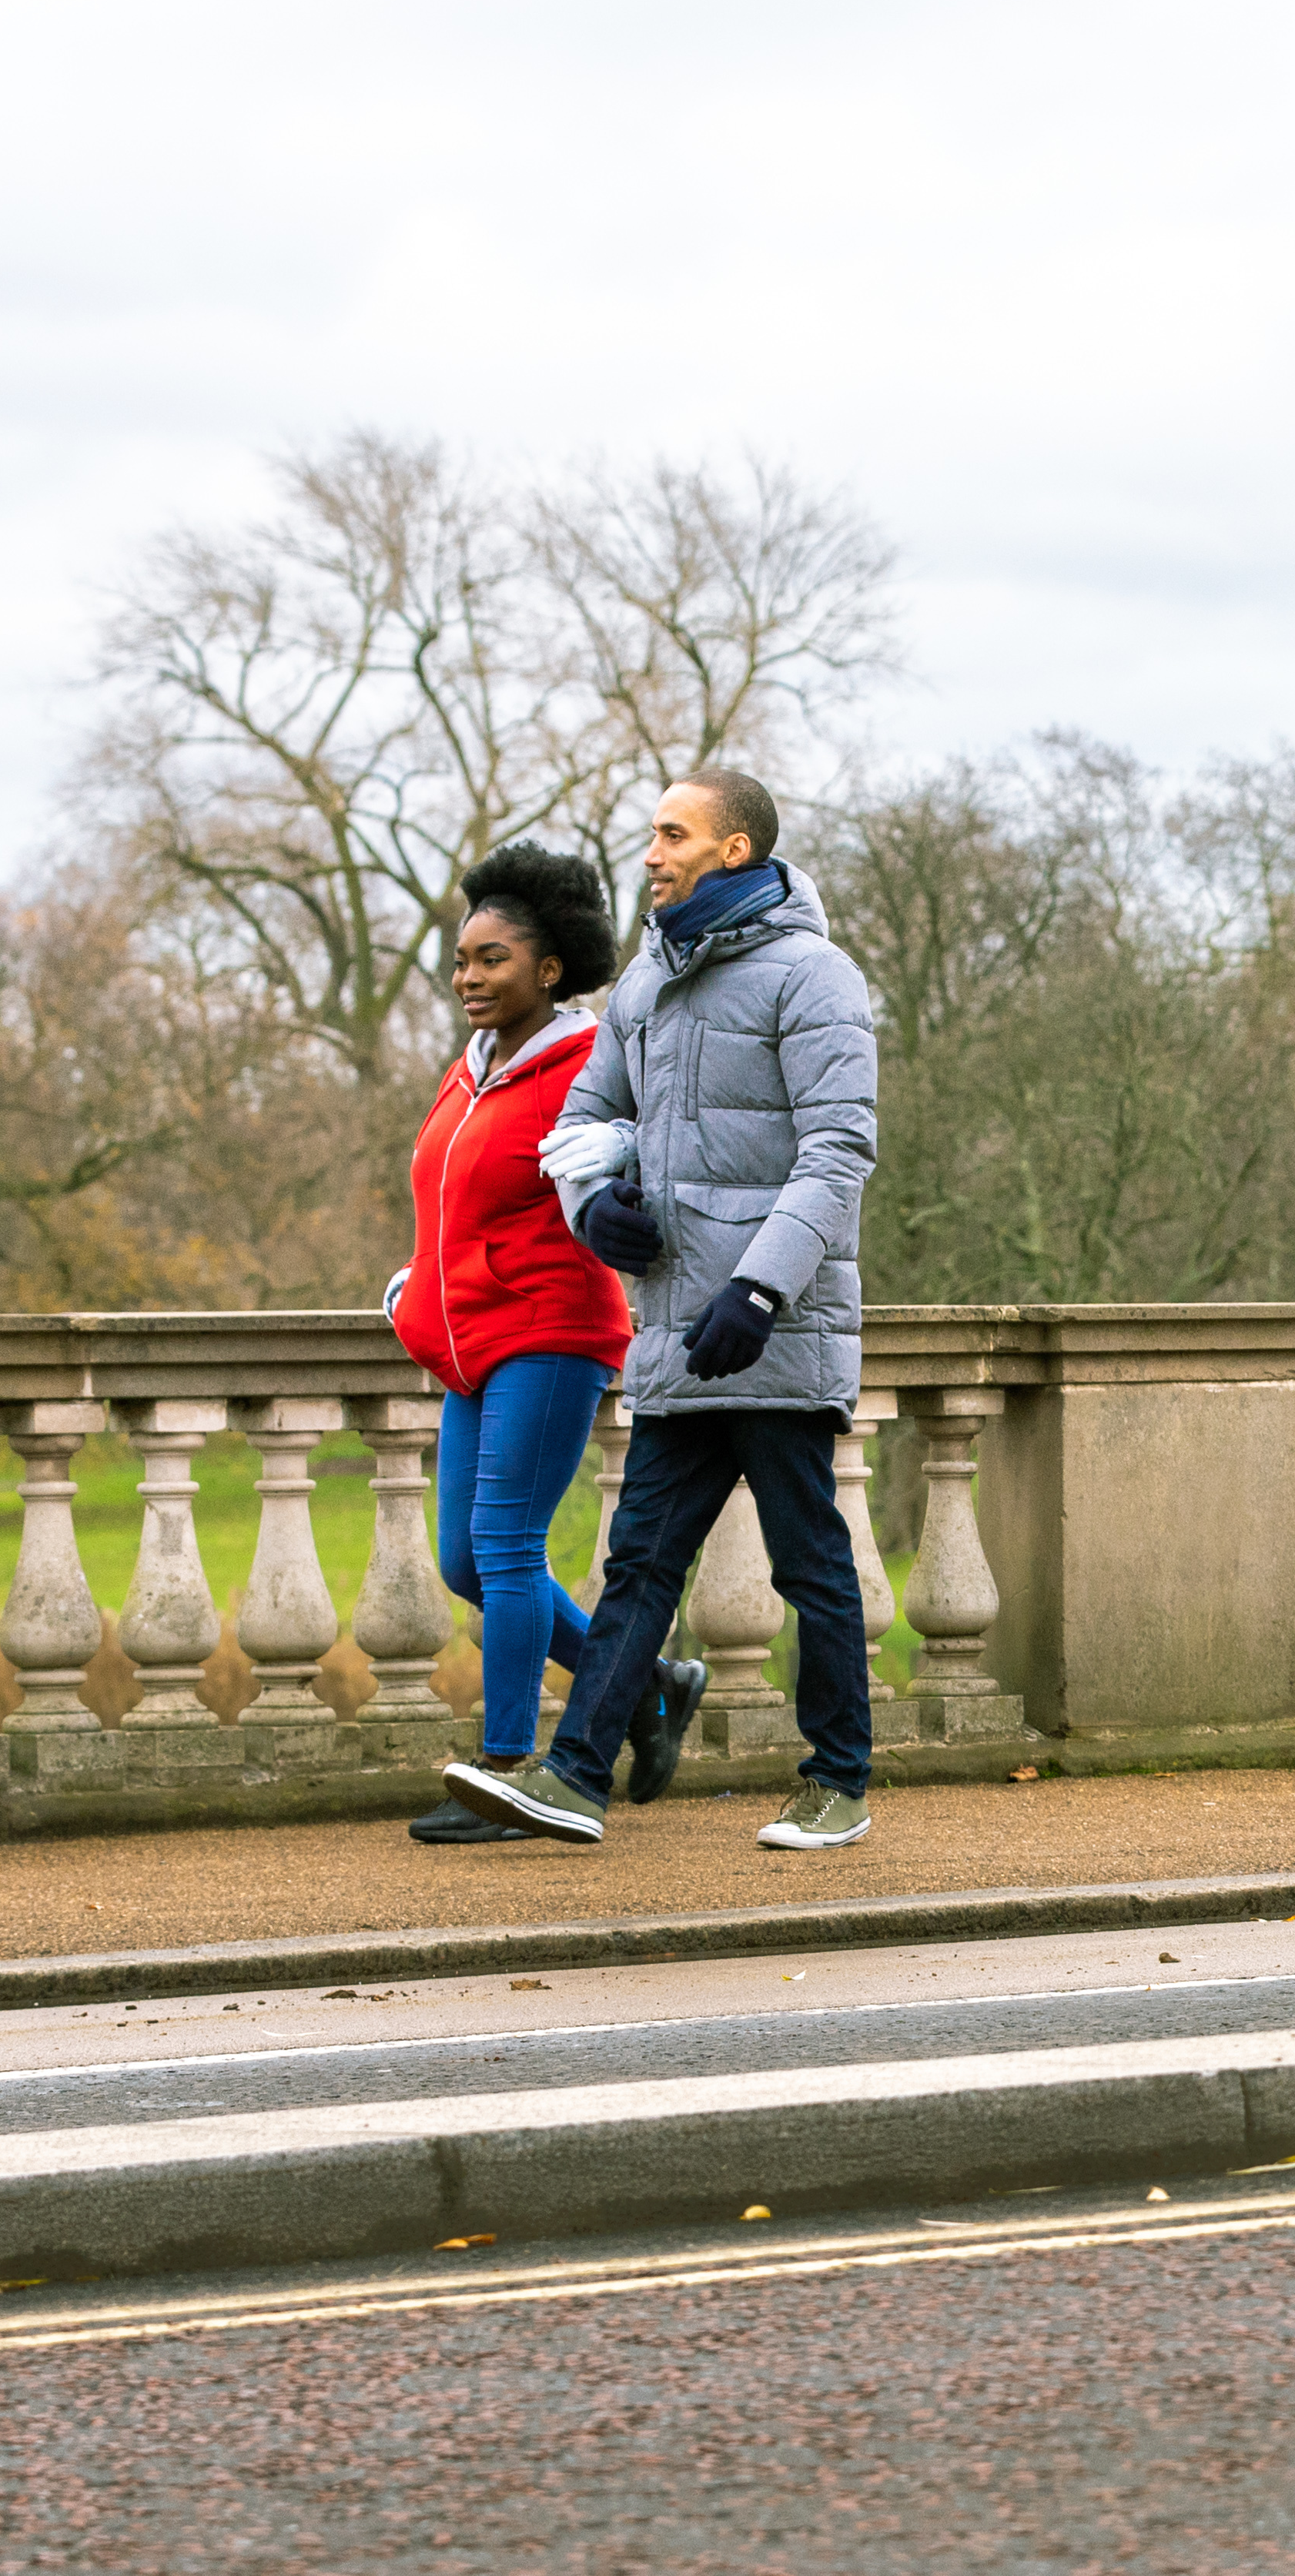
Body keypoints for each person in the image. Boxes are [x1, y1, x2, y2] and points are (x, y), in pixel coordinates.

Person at [440, 768, 880, 1851]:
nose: (651, 851)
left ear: (733, 850)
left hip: (772, 1327)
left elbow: (838, 1153)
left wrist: (761, 1285)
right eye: (652, 833)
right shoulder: (645, 983)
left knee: (808, 1565)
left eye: (672, 834)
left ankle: (837, 1783)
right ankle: (575, 1774)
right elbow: (586, 1120)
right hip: (678, 1330)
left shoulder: (814, 977)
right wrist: (597, 1210)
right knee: (637, 1561)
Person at [389, 841, 704, 1845]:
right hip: (469, 1343)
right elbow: (449, 1200)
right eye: (462, 958)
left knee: (508, 1550)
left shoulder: (585, 1068)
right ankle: (649, 1683)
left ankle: (507, 1770)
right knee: (462, 1563)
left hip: (551, 1333)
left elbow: (620, 1185)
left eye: (491, 959)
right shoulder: (469, 1071)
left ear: (550, 968)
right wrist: (412, 1289)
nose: (467, 975)